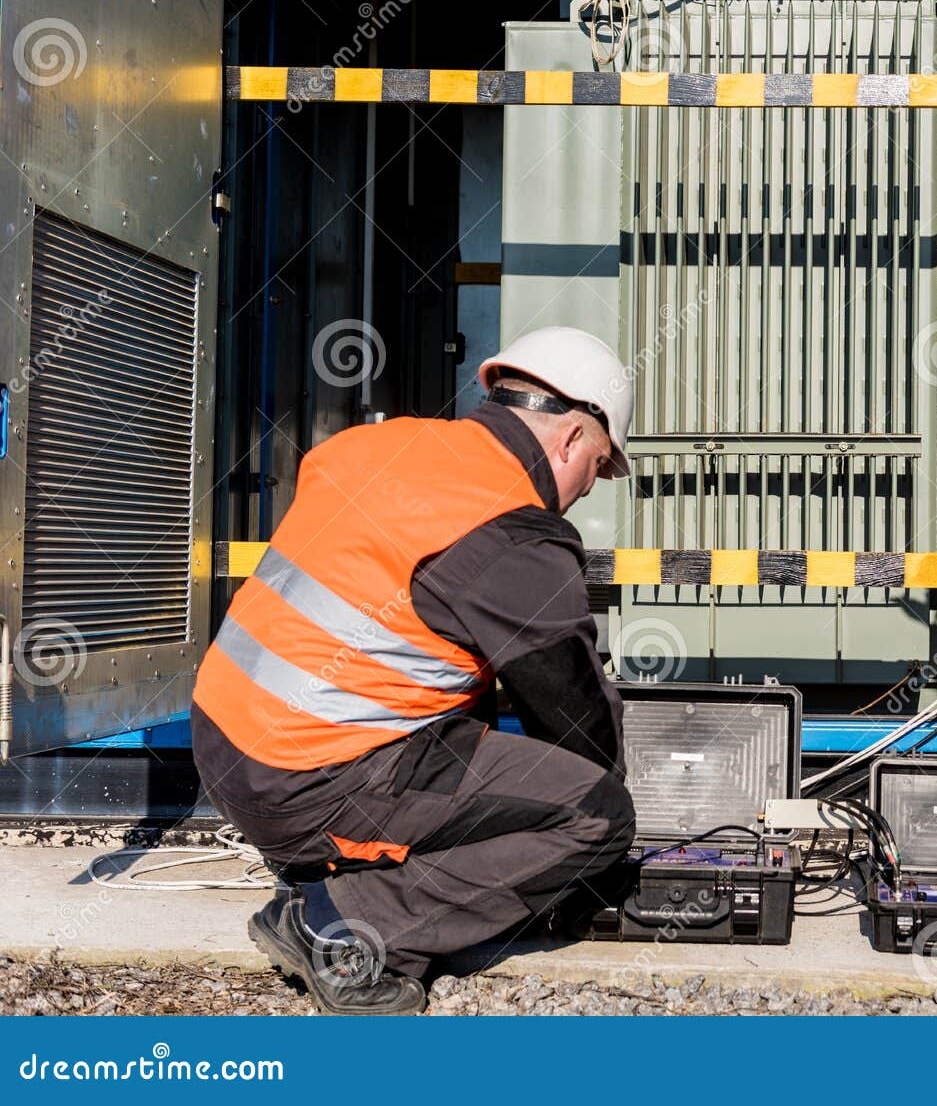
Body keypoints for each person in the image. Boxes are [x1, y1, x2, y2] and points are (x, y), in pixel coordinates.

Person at [190, 326, 639, 1013]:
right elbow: (576, 722)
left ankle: (333, 874)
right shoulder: (512, 530)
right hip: (304, 780)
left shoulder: (380, 445)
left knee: (468, 710)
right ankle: (342, 927)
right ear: (573, 438)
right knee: (595, 816)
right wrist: (599, 848)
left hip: (223, 742)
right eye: (599, 467)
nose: (587, 490)